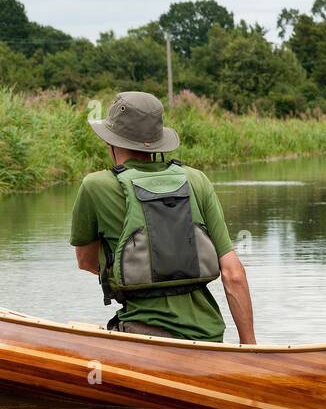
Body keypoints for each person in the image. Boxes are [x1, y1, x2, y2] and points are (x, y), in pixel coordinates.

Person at [69, 91, 256, 344]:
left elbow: (87, 262)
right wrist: (250, 348)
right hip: (208, 337)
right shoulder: (196, 180)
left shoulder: (95, 186)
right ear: (157, 142)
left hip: (140, 335)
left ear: (112, 142)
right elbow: (233, 274)